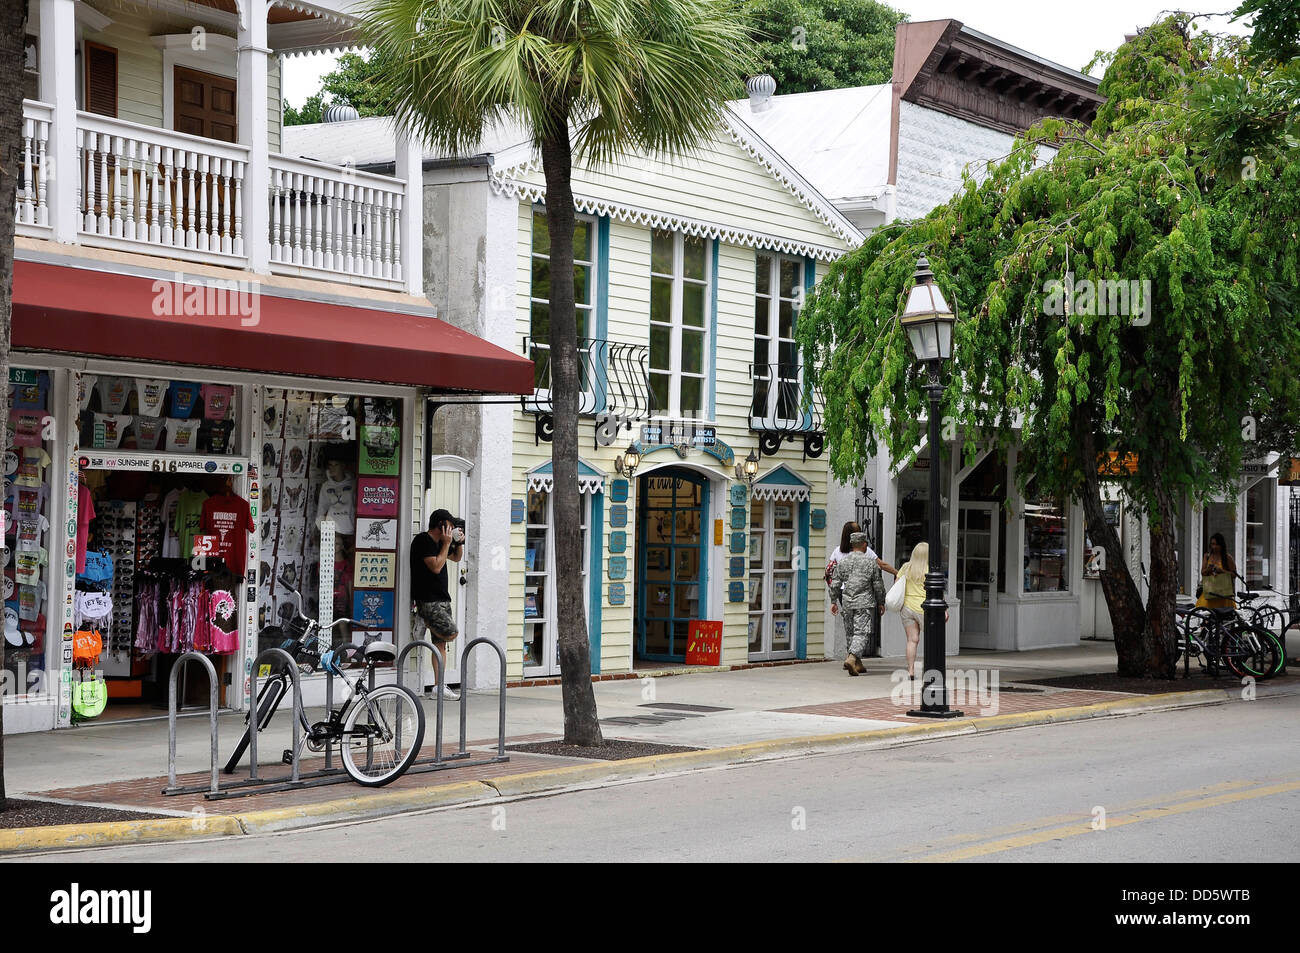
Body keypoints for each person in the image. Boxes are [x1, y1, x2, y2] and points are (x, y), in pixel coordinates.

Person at [410, 508, 465, 699]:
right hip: (428, 599)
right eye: (450, 526)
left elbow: (456, 558)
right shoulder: (423, 541)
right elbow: (435, 566)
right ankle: (424, 619)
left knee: (440, 645)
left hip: (442, 598)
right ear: (441, 525)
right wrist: (446, 544)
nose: (452, 530)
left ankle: (438, 686)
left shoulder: (442, 543)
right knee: (452, 632)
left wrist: (458, 543)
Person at [830, 532, 886, 675]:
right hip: (864, 602)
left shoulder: (843, 562)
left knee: (850, 633)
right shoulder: (870, 563)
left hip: (847, 601)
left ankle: (857, 664)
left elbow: (835, 583)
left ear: (851, 545)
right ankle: (852, 657)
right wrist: (881, 601)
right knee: (862, 632)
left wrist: (833, 601)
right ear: (864, 545)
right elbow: (878, 585)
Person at [1197, 532, 1237, 609]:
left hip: (1223, 592)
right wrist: (1209, 569)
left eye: (1216, 544)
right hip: (1210, 591)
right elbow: (1203, 573)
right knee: (1207, 615)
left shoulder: (1227, 557)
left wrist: (1221, 570)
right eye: (1212, 544)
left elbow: (1234, 575)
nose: (1214, 547)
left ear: (1221, 545)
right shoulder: (1207, 556)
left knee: (1224, 617)